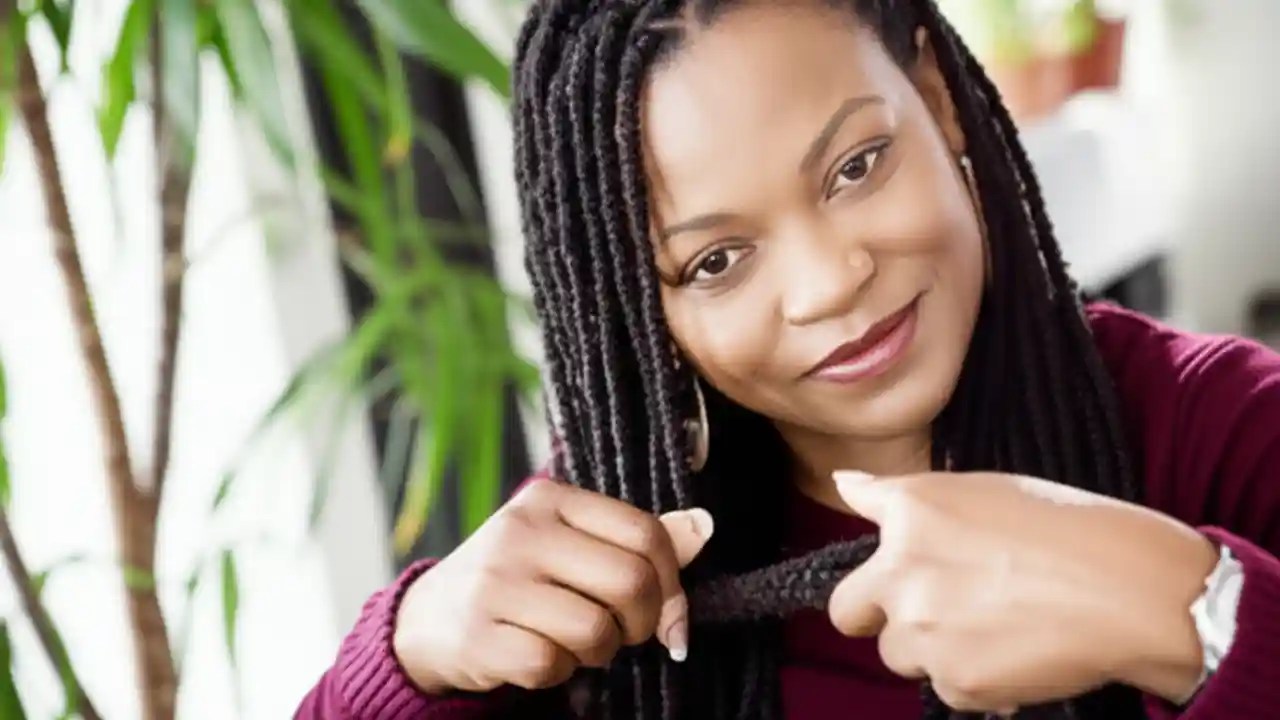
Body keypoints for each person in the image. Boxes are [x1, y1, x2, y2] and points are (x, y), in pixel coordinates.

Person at [295, 0, 1280, 718]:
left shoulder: (1218, 428)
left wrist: (1183, 608)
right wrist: (411, 652)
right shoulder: (608, 563)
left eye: (855, 165)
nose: (825, 284)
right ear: (644, 306)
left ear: (935, 97)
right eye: (715, 261)